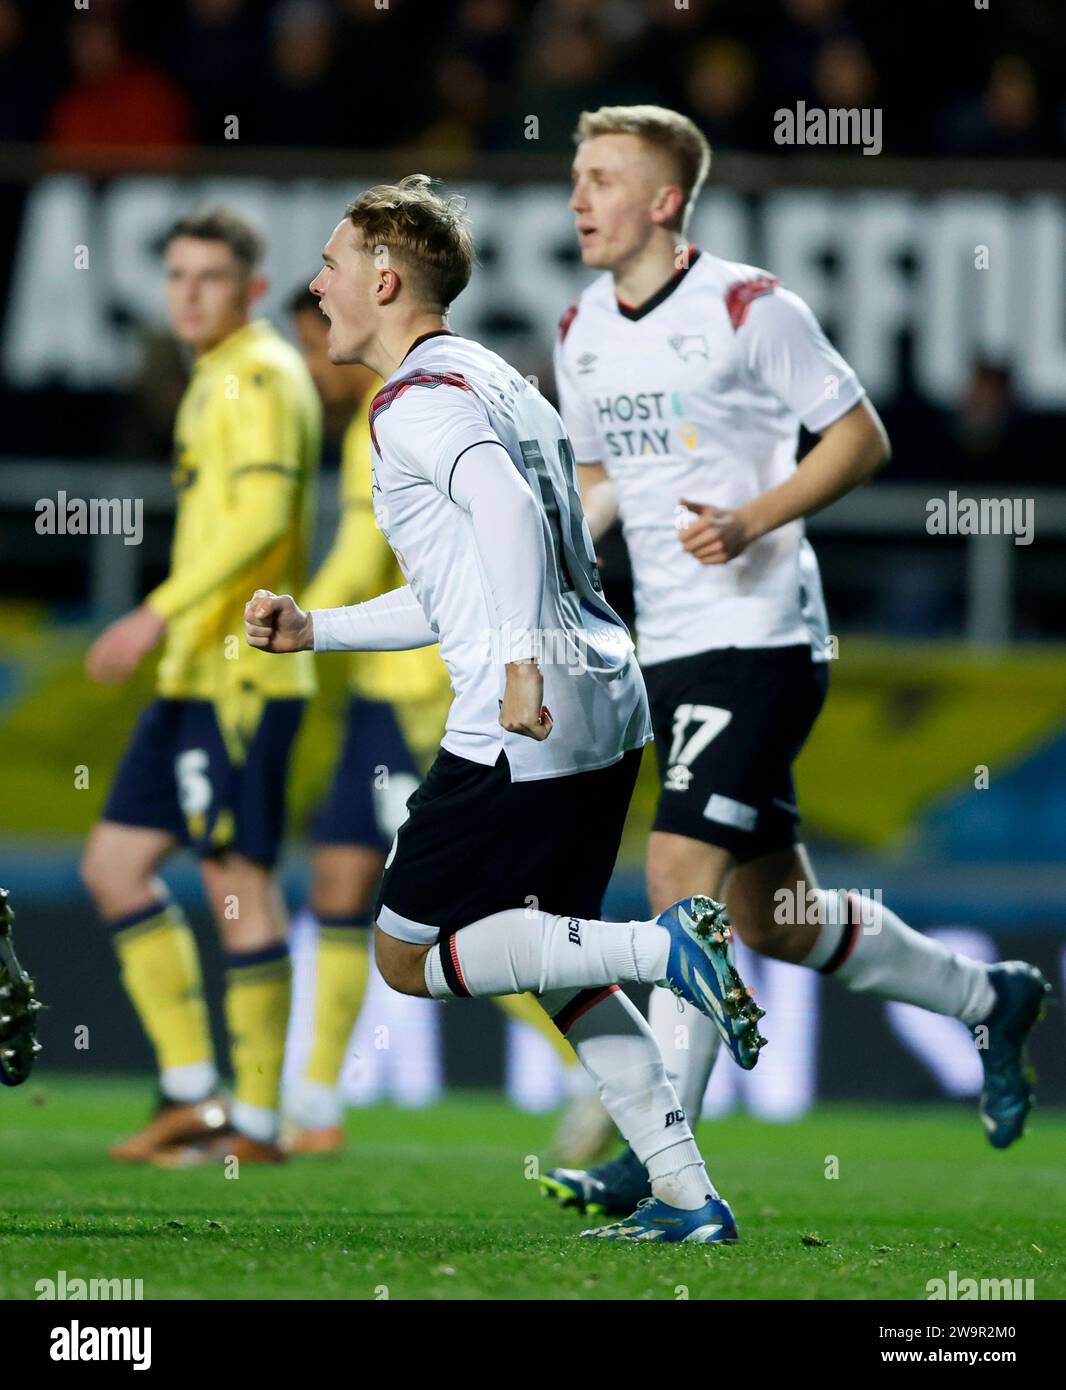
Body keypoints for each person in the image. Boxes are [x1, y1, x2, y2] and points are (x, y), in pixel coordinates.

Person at [545, 104, 1050, 1215]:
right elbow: (599, 482)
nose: (577, 197)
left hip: (763, 637)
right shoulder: (579, 327)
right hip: (666, 651)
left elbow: (858, 435)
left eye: (601, 178)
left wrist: (754, 517)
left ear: (664, 200)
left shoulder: (747, 307)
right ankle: (989, 994)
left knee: (678, 876)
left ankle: (660, 1167)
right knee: (774, 916)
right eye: (576, 176)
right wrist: (542, 551)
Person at [245, 174, 765, 1243]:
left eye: (333, 264)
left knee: (407, 953)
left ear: (384, 280)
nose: (317, 283)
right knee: (546, 964)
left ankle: (662, 951)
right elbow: (467, 581)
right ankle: (686, 1196)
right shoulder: (492, 378)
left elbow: (501, 510)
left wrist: (518, 663)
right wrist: (320, 628)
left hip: (521, 715)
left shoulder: (413, 405)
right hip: (604, 704)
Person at [285, 288, 579, 1150]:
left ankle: (581, 1070)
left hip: (428, 699)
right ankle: (312, 1099)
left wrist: (296, 625)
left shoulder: (393, 419)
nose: (314, 367)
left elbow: (359, 562)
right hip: (382, 697)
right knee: (339, 885)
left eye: (315, 347)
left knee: (441, 920)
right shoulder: (385, 420)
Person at [82, 207, 321, 1166]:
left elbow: (264, 515)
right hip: (195, 674)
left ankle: (258, 1124)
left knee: (236, 881)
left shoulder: (259, 375)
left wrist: (158, 608)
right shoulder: (214, 378)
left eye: (209, 276)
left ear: (251, 289)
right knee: (113, 866)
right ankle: (192, 1091)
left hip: (241, 675)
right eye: (176, 274)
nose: (187, 292)